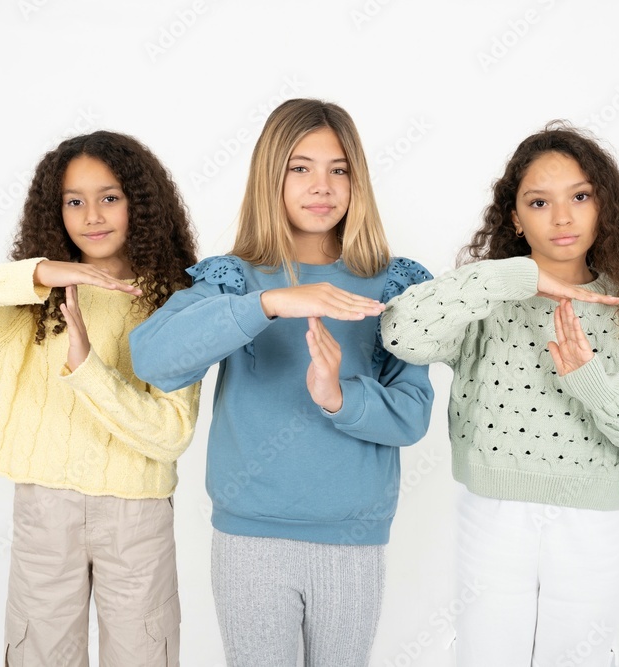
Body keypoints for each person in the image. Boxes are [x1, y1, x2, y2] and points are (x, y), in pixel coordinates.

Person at [381, 123, 619, 667]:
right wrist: (506, 278)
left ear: (603, 204)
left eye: (580, 196)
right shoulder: (487, 297)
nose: (562, 218)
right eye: (539, 202)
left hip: (592, 528)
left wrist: (595, 383)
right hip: (492, 517)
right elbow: (400, 333)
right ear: (515, 216)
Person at [130, 98, 434, 666]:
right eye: (301, 167)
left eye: (338, 169)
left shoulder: (394, 283)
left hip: (352, 539)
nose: (322, 185)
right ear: (272, 175)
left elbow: (413, 414)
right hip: (251, 540)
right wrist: (268, 302)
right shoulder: (235, 277)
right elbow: (154, 358)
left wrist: (340, 398)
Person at [0, 130, 200, 666]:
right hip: (45, 509)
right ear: (55, 210)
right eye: (74, 201)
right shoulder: (26, 304)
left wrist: (87, 369)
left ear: (139, 203)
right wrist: (36, 274)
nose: (92, 216)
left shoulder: (174, 302)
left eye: (110, 197)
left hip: (137, 514)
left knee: (144, 655)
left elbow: (171, 434)